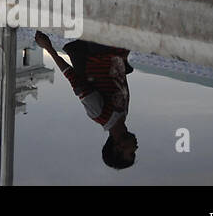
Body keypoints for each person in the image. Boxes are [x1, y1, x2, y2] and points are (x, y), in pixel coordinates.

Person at [35, 34, 137, 170]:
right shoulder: (122, 114)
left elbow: (72, 77)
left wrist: (48, 48)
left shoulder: (100, 114)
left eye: (131, 152)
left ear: (118, 148)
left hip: (100, 49)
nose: (136, 147)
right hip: (115, 51)